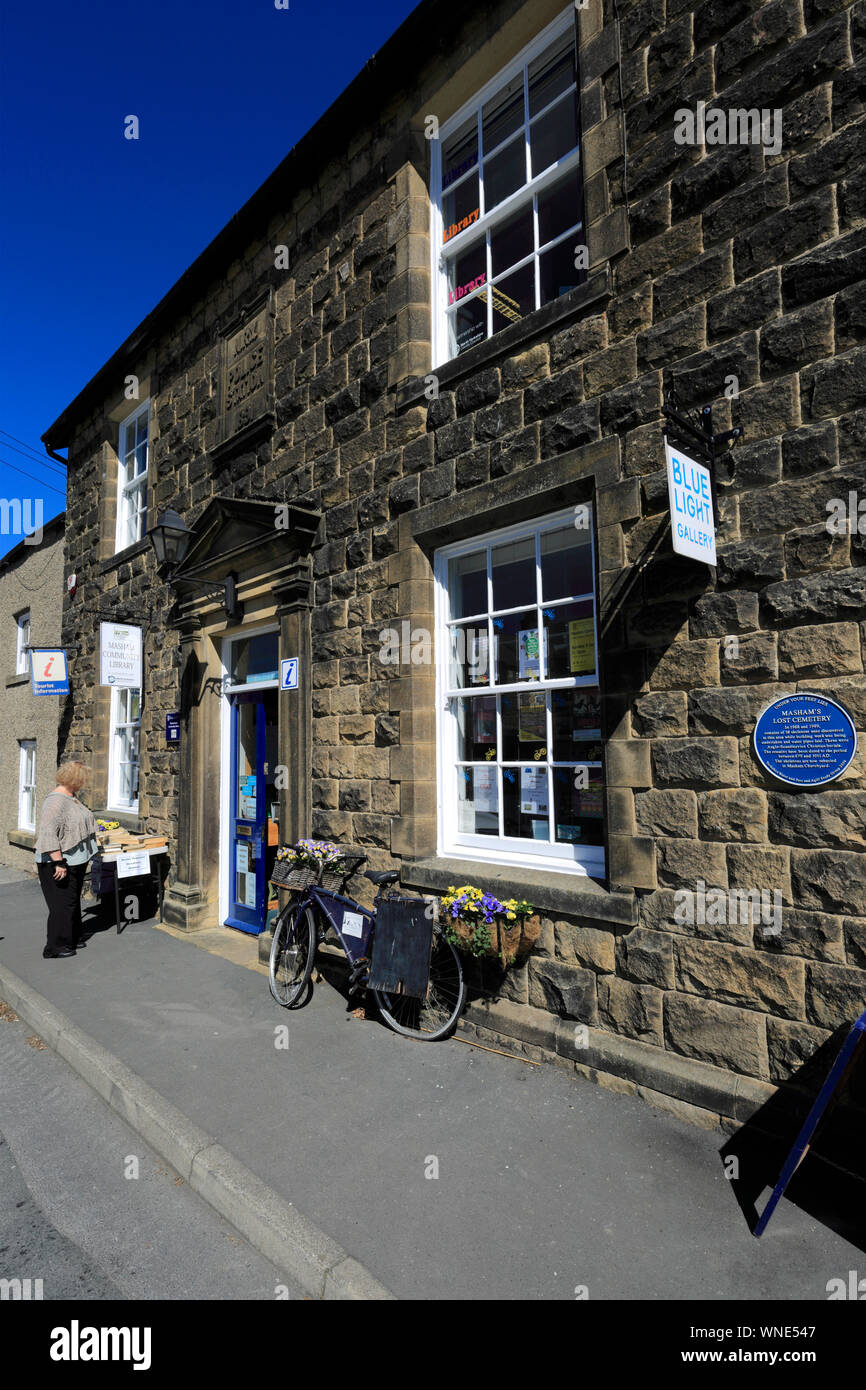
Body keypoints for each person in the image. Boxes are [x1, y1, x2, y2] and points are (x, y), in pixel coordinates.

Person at [34, 761, 99, 959]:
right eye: (82, 779)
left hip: (75, 860)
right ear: (74, 779)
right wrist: (58, 862)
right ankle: (55, 947)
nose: (84, 783)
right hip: (59, 862)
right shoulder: (55, 801)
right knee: (61, 905)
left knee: (71, 902)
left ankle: (73, 937)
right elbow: (47, 834)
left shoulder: (71, 797)